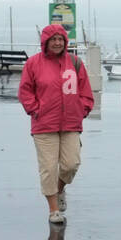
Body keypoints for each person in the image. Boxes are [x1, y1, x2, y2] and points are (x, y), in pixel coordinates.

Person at [19, 24, 94, 225]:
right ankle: (53, 210)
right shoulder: (33, 64)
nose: (57, 43)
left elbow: (86, 91)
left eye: (61, 39)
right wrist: (35, 110)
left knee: (71, 164)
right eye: (53, 39)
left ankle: (59, 189)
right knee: (48, 168)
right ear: (45, 41)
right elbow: (25, 91)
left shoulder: (75, 63)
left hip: (71, 123)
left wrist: (83, 109)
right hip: (44, 124)